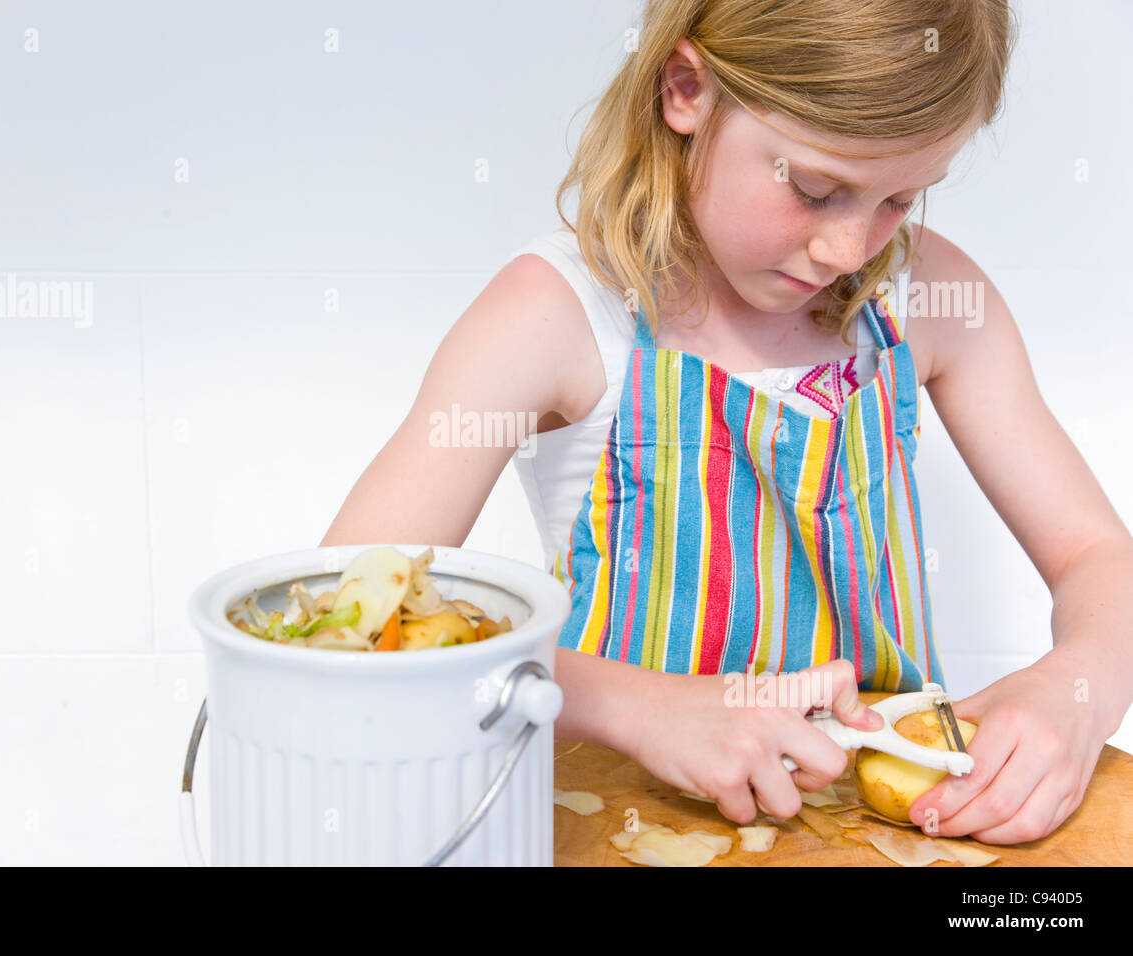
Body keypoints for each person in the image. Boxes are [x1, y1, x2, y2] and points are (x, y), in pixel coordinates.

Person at [322, 0, 1133, 845]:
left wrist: (1078, 684)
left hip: (870, 841)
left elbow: (1100, 556)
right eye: (818, 189)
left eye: (900, 198)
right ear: (686, 90)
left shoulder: (929, 303)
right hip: (617, 829)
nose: (851, 250)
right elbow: (347, 630)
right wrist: (640, 709)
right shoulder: (557, 317)